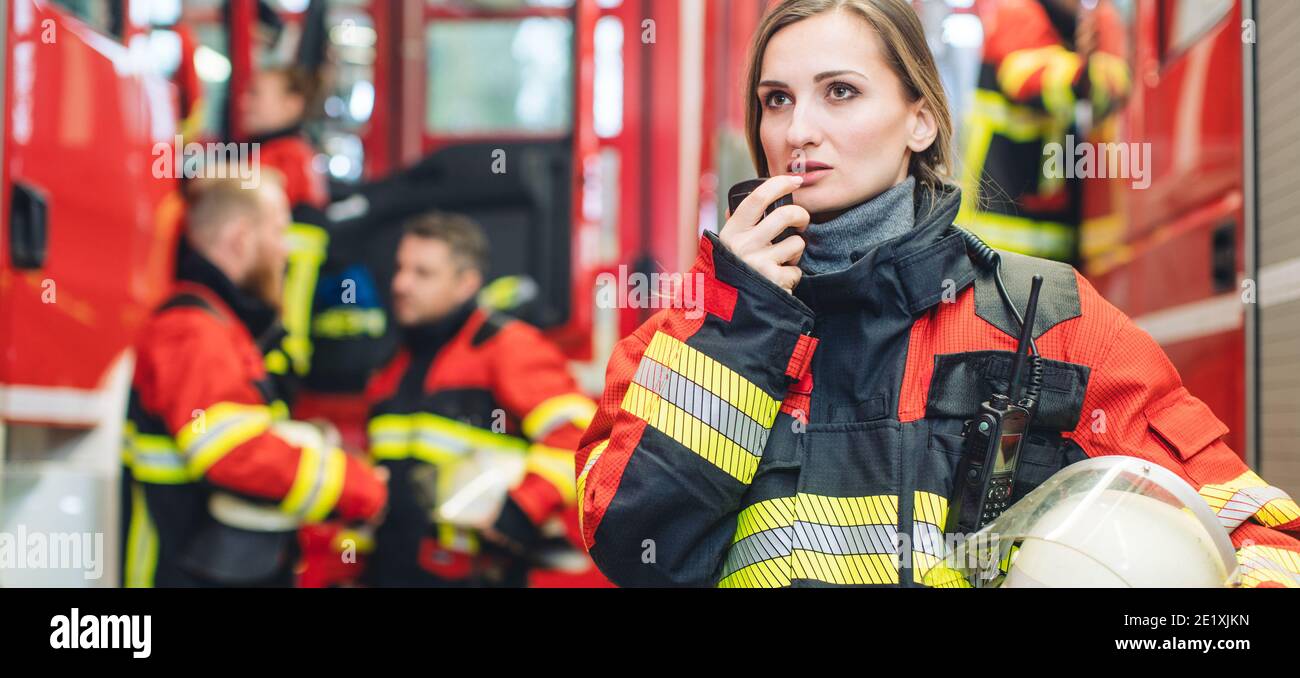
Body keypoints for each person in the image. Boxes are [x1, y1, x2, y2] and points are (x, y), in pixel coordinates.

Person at [575, 0, 1300, 588]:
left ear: (920, 120)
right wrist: (745, 328)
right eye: (775, 100)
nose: (799, 130)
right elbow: (637, 550)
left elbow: (1256, 531)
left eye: (841, 92)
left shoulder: (1046, 318)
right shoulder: (699, 329)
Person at [121, 175, 388, 588]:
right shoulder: (192, 329)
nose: (285, 250)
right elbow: (231, 451)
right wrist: (355, 485)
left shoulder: (221, 323)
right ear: (240, 238)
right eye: (279, 232)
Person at [362, 212, 598, 587]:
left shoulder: (506, 347)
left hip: (476, 573)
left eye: (423, 273)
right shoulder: (393, 363)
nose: (401, 284)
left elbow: (581, 434)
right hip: (394, 569)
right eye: (400, 268)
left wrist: (522, 509)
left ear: (465, 283)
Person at [956, 0, 1131, 263]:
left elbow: (1117, 82)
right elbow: (1030, 81)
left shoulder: (1089, 21)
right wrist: (1084, 72)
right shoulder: (1019, 13)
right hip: (999, 239)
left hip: (1052, 240)